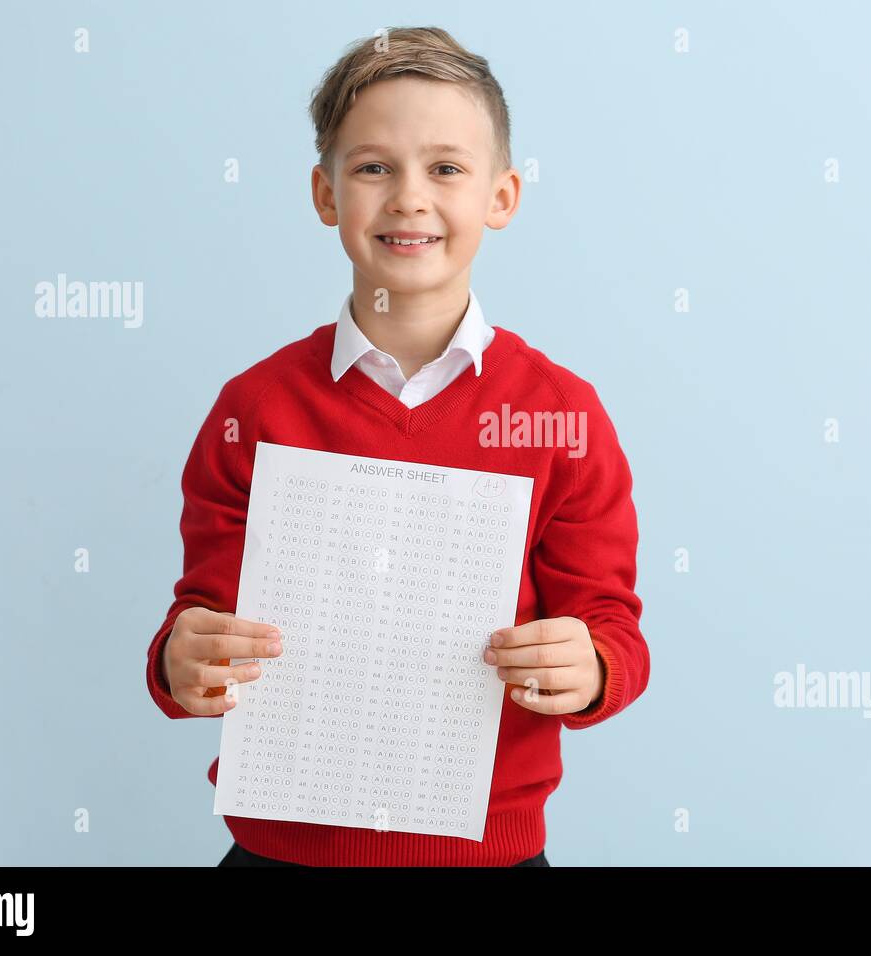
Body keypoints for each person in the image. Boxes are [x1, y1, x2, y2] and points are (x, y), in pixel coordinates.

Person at [145, 25, 649, 867]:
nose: (410, 197)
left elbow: (612, 627)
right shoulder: (254, 409)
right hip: (282, 852)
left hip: (489, 853)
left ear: (502, 196)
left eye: (446, 168)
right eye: (374, 166)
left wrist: (591, 668)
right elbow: (200, 615)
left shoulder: (561, 415)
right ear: (325, 193)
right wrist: (177, 660)